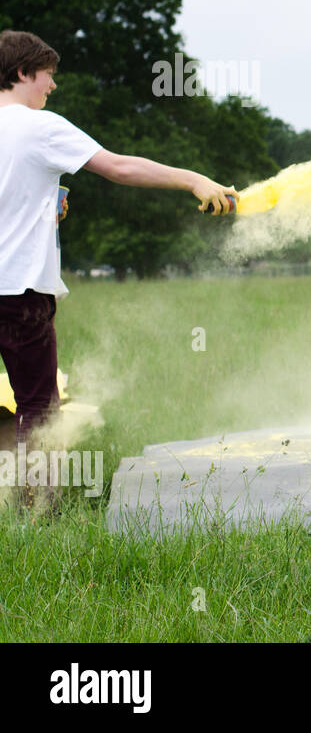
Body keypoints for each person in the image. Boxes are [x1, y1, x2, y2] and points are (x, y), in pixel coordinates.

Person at [0, 30, 235, 510]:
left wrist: (46, 207)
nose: (52, 86)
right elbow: (119, 167)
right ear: (23, 73)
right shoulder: (39, 127)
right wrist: (194, 180)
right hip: (20, 293)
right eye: (47, 75)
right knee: (38, 408)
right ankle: (35, 512)